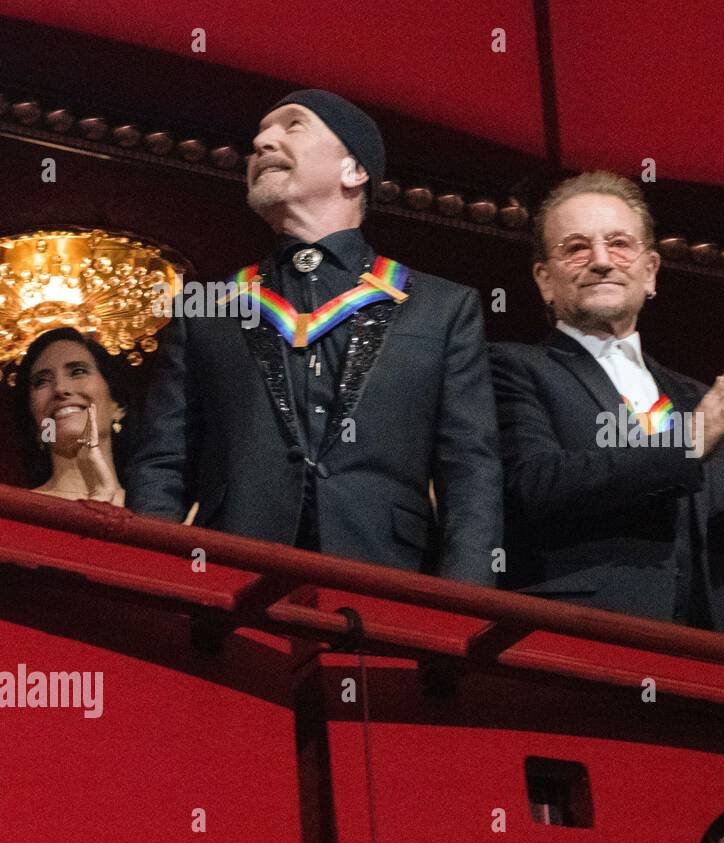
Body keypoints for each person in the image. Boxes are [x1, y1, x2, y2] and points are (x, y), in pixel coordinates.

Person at [129, 89, 501, 583]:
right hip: (232, 586)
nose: (262, 141)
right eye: (261, 132)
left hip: (389, 585)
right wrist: (159, 583)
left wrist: (463, 607)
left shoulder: (442, 309)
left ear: (354, 170)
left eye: (293, 125)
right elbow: (162, 463)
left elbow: (470, 473)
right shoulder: (206, 309)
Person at [490, 171, 724, 632]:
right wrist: (685, 447)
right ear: (544, 280)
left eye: (619, 243)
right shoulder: (510, 368)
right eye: (577, 247)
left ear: (651, 271)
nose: (601, 260)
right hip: (578, 639)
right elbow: (532, 487)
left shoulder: (702, 400)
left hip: (706, 655)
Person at [15, 327, 128, 505]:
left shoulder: (160, 513)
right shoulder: (16, 514)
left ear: (118, 405)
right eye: (41, 381)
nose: (60, 388)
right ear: (35, 426)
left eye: (78, 372)